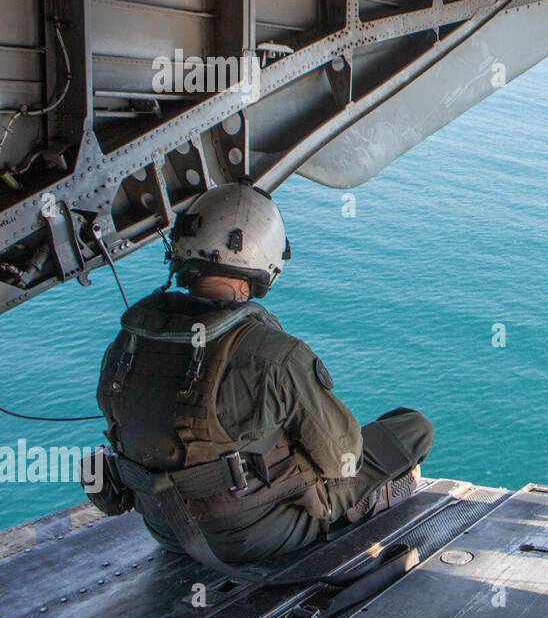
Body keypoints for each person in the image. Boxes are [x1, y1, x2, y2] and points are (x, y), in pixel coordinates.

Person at [80, 180, 435, 570]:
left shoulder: (128, 342)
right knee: (413, 428)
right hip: (251, 536)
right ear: (264, 258)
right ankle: (363, 508)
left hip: (166, 527)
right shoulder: (275, 353)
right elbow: (343, 458)